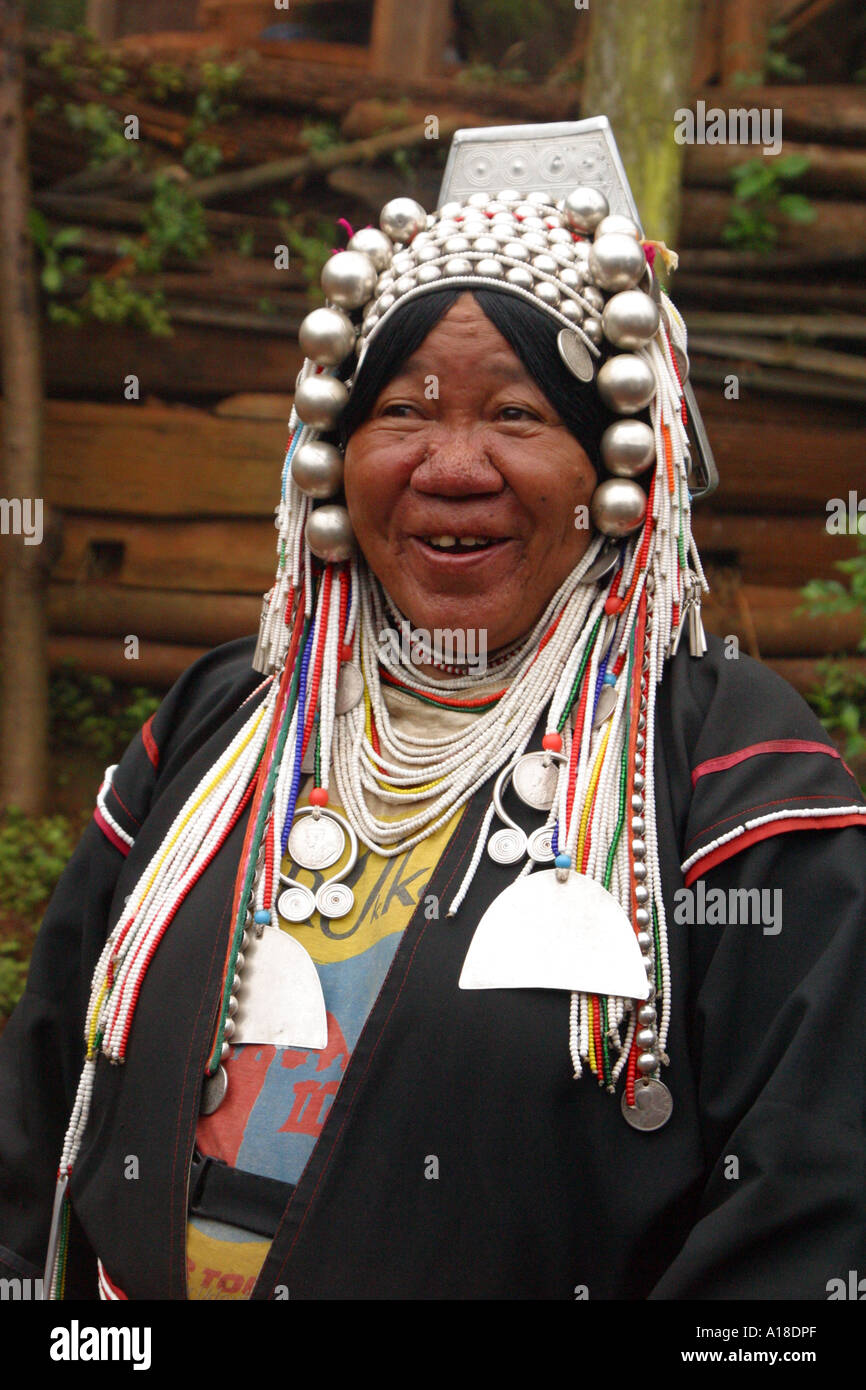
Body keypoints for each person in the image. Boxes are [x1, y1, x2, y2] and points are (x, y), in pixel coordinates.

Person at [1, 184, 865, 1302]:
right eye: (401, 414)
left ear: (611, 465)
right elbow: (41, 1075)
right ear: (333, 454)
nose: (451, 467)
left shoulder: (722, 771)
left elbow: (808, 1196)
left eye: (515, 417)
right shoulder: (227, 717)